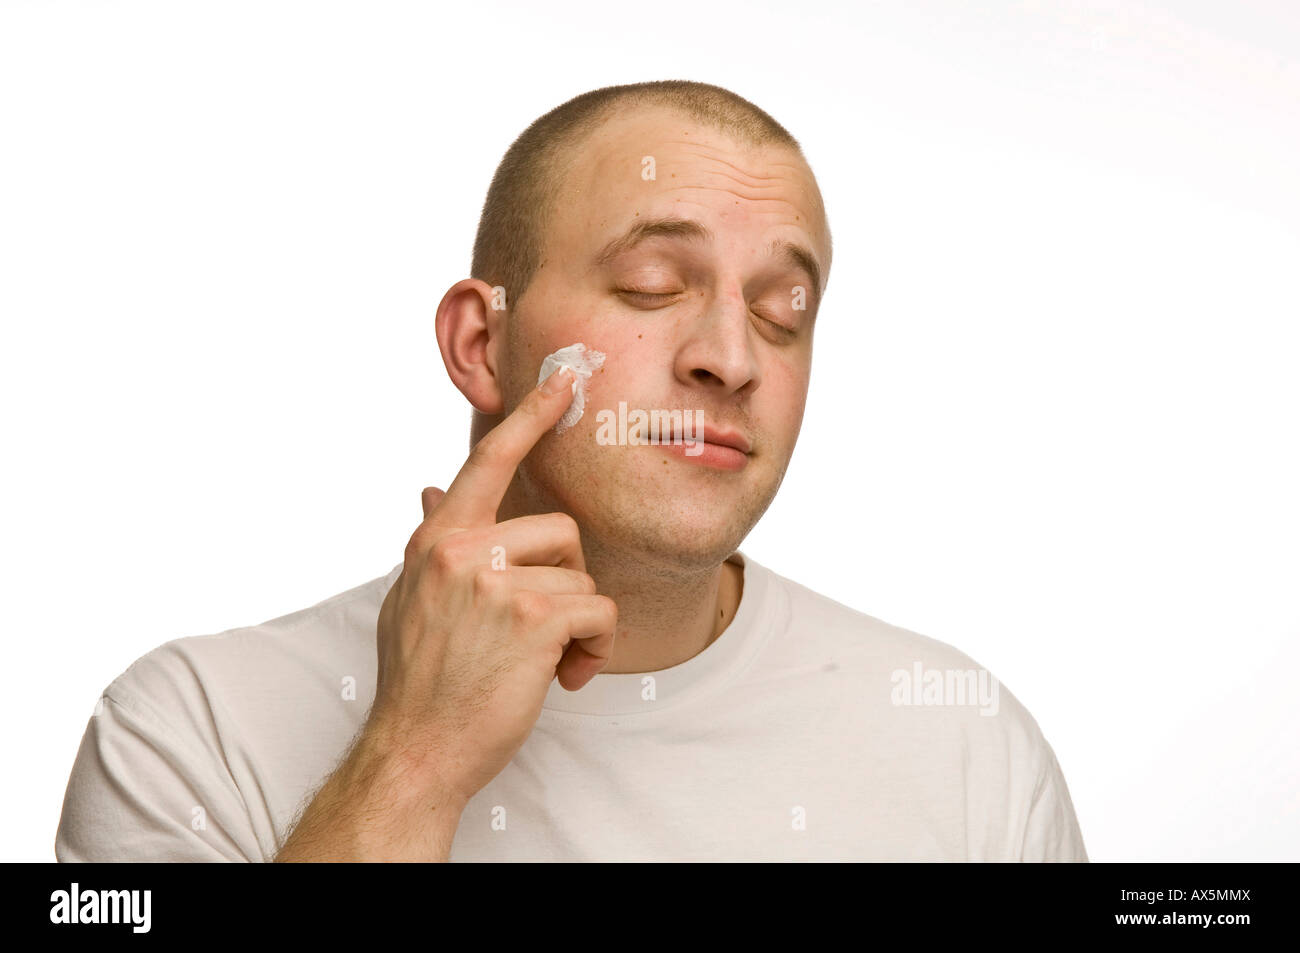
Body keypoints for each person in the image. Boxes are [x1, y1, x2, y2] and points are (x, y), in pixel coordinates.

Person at [55, 80, 1087, 862]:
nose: (732, 357)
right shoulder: (189, 731)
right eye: (650, 284)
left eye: (784, 311)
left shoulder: (965, 743)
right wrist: (411, 758)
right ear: (478, 342)